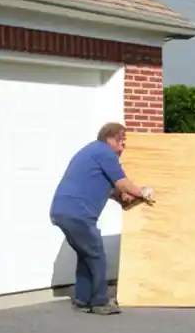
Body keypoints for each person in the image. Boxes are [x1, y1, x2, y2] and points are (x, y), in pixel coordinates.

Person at [50, 122, 155, 315]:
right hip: (78, 213)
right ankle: (100, 301)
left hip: (63, 211)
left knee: (86, 254)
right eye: (122, 142)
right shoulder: (105, 153)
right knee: (96, 254)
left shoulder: (92, 153)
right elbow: (123, 184)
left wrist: (125, 199)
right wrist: (143, 192)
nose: (123, 148)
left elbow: (115, 191)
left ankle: (83, 300)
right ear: (113, 138)